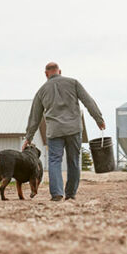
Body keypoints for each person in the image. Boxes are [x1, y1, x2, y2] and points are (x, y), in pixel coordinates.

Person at [24, 62, 105, 202]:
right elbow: (88, 101)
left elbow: (34, 117)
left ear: (46, 74)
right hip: (73, 129)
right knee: (73, 161)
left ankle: (57, 194)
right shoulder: (73, 83)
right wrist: (98, 119)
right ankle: (71, 194)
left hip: (55, 131)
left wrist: (28, 138)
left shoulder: (41, 91)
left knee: (54, 161)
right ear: (59, 71)